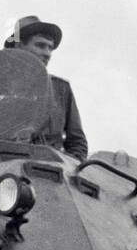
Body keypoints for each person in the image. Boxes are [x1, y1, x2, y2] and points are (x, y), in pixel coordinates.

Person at [5, 15, 88, 159]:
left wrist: (68, 168)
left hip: (50, 171)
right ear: (19, 46)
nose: (47, 53)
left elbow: (77, 142)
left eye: (50, 48)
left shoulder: (61, 89)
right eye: (40, 45)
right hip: (5, 170)